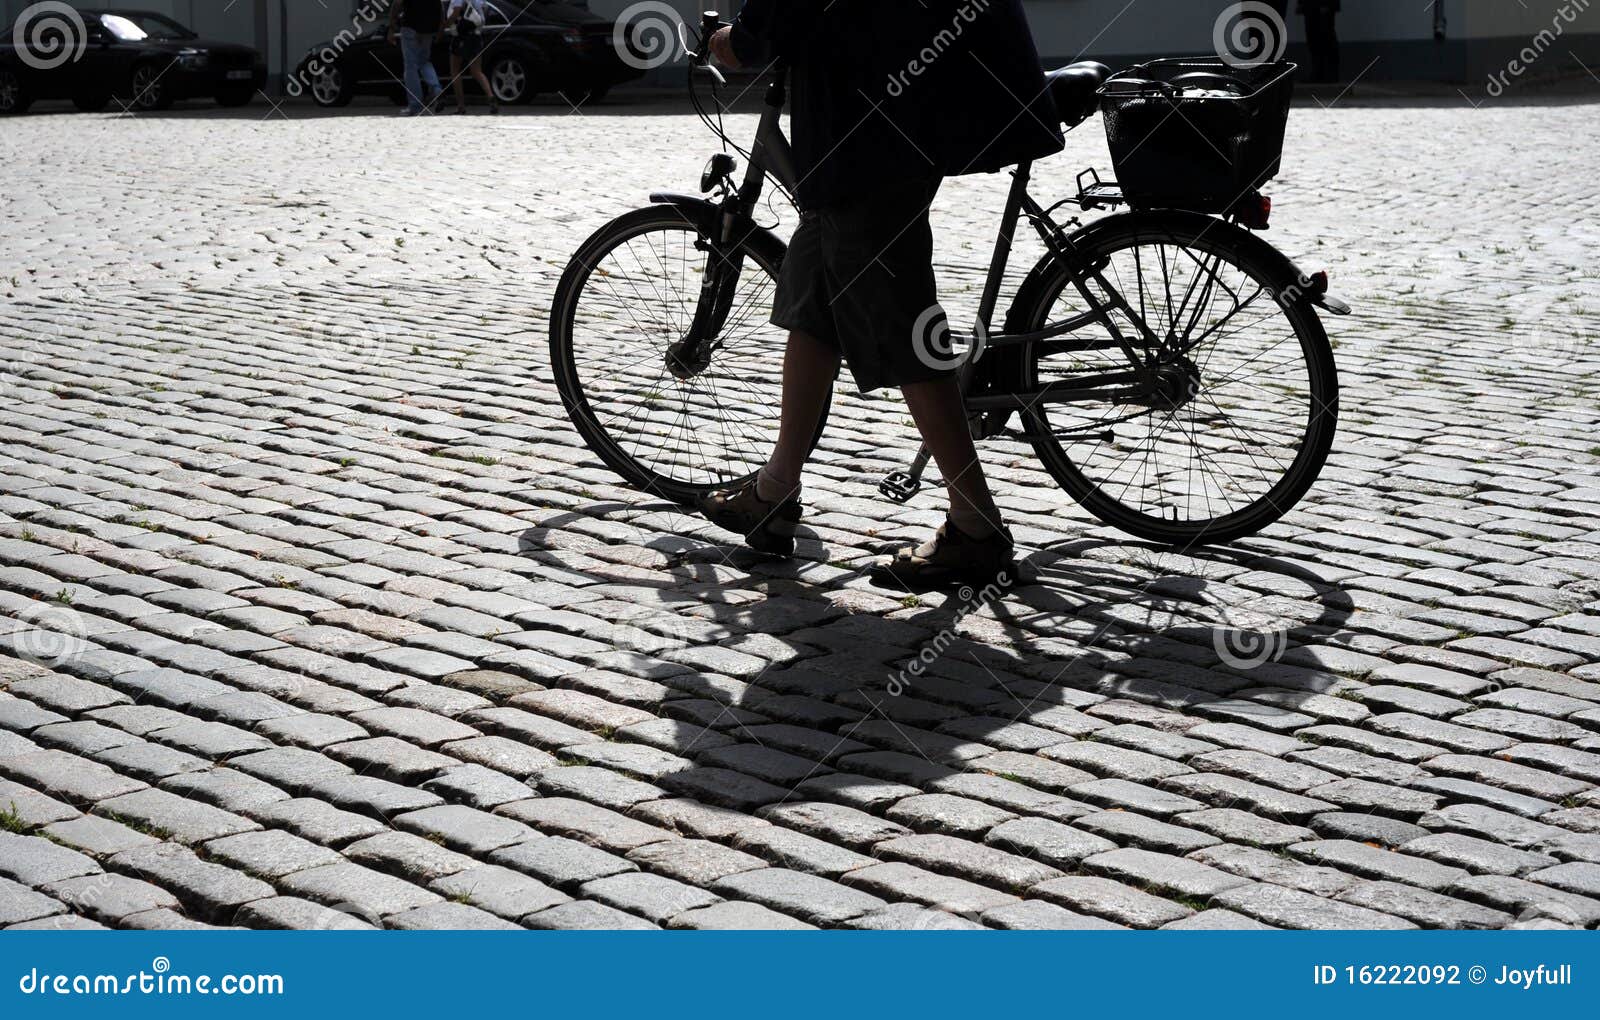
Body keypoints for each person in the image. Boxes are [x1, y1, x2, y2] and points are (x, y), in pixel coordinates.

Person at [702, 1, 1063, 587]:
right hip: (893, 115)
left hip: (869, 135)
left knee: (899, 321)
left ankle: (976, 527)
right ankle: (773, 494)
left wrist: (732, 39)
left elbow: (764, 29)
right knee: (816, 302)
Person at [388, 0, 444, 116]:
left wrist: (392, 27)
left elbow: (397, 3)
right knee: (424, 62)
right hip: (429, 28)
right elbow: (440, 6)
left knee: (410, 67)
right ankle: (437, 90)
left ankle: (415, 105)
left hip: (411, 26)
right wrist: (440, 28)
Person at [444, 0, 497, 114]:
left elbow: (456, 11)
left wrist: (445, 25)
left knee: (455, 71)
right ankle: (491, 97)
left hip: (461, 37)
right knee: (477, 71)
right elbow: (483, 12)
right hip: (476, 36)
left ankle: (461, 106)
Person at [1301, 0, 1341, 82]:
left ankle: (1328, 74)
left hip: (1321, 5)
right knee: (1314, 38)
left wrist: (1325, 4)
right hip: (1311, 6)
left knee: (1325, 37)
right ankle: (1319, 73)